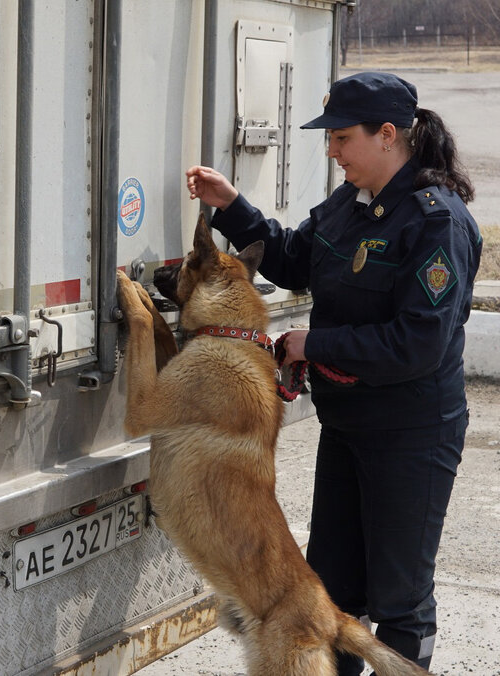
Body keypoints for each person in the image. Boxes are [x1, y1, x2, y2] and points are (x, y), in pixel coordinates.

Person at [185, 71, 481, 673]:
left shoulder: (435, 222)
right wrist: (232, 208)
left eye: (342, 137)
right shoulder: (352, 202)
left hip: (410, 435)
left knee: (401, 599)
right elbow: (295, 258)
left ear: (389, 135)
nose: (332, 150)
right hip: (347, 428)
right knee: (334, 590)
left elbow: (417, 343)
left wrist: (314, 344)